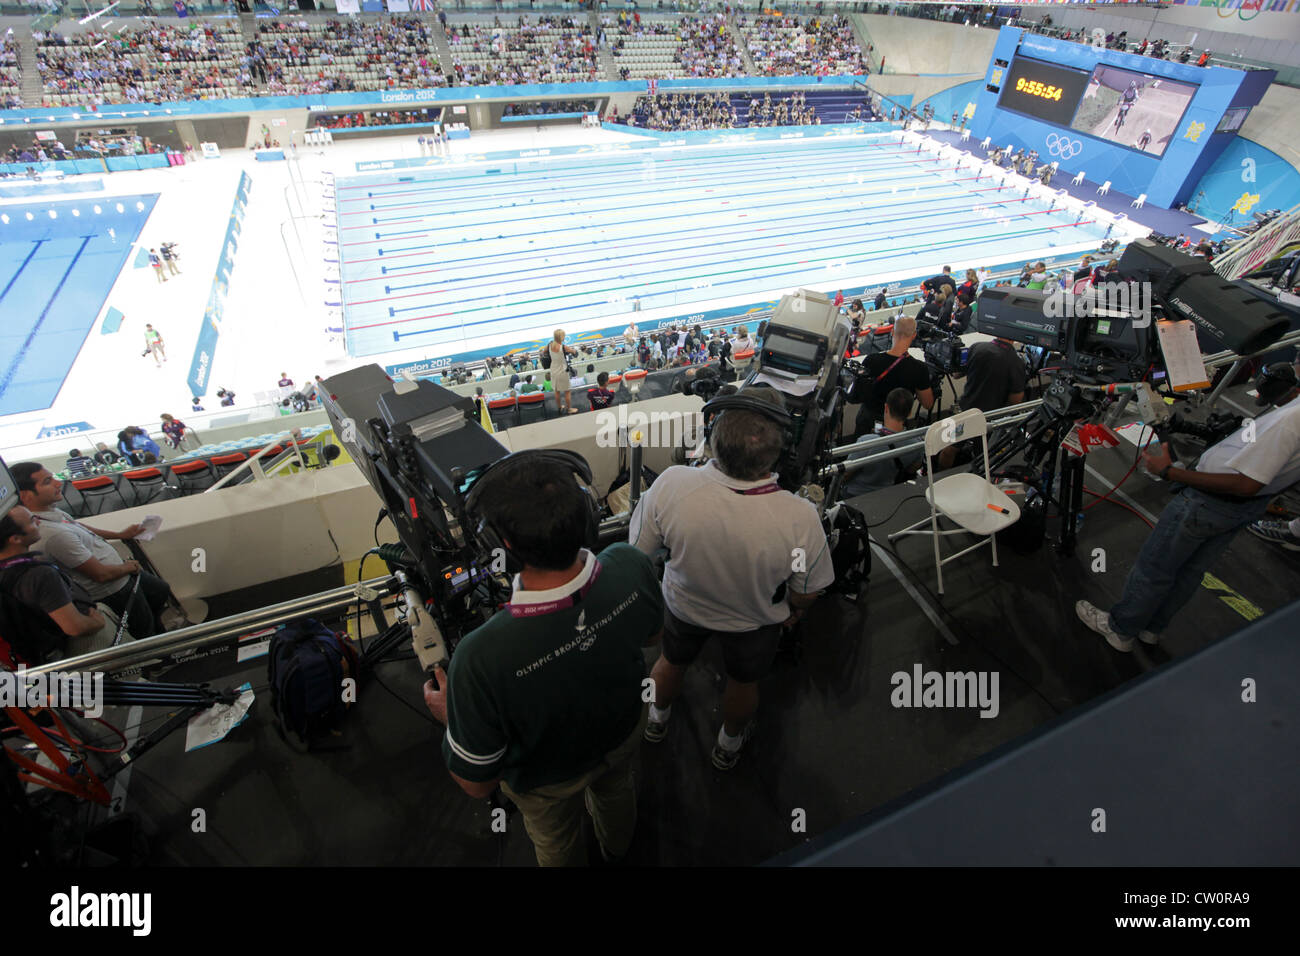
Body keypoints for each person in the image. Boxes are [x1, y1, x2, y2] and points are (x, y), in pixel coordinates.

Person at [422, 455, 664, 866]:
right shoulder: (631, 564)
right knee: (617, 792)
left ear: (504, 547)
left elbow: (477, 785)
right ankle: (619, 850)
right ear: (587, 514)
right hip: (622, 735)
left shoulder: (479, 656)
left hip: (547, 780)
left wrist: (451, 717)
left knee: (556, 841)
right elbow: (654, 636)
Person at [630, 386, 835, 770]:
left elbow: (638, 554)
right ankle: (728, 743)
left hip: (683, 608)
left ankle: (656, 720)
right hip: (754, 623)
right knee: (744, 683)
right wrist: (792, 611)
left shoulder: (671, 485)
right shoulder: (800, 517)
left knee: (670, 662)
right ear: (780, 451)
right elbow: (809, 589)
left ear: (714, 436)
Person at [1076, 363, 1300, 651]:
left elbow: (1247, 484)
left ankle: (1120, 630)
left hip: (1210, 504)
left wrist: (1168, 472)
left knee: (1155, 568)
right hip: (1243, 509)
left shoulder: (1288, 422)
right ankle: (1151, 628)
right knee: (1189, 572)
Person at [13, 463, 173, 639]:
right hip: (114, 589)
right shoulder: (52, 534)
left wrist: (119, 534)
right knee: (143, 629)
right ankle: (159, 661)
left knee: (159, 591)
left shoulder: (51, 512)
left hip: (122, 574)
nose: (58, 484)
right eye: (47, 482)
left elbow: (78, 526)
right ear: (25, 495)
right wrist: (130, 567)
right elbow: (101, 575)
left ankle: (163, 635)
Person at [0, 506, 116, 663]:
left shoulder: (8, 570)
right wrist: (96, 622)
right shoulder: (39, 575)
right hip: (65, 652)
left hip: (31, 656)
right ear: (15, 538)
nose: (39, 522)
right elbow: (75, 627)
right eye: (32, 521)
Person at [853, 315, 935, 435]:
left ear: (892, 332)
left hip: (867, 422)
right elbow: (928, 404)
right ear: (913, 335)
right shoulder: (919, 368)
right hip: (895, 429)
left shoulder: (871, 360)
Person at [842, 388, 924, 499]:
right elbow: (912, 468)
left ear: (886, 407)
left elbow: (846, 474)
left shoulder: (866, 442)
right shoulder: (916, 443)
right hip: (888, 495)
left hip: (856, 495)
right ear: (909, 413)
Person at [960, 334, 1027, 414]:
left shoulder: (976, 346)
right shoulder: (1016, 362)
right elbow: (1015, 400)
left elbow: (956, 374)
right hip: (992, 415)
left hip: (966, 409)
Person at [548, 329, 578, 414]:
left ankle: (560, 407)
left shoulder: (550, 345)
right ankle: (569, 409)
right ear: (561, 337)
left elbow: (544, 352)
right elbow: (575, 353)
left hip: (553, 369)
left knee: (557, 391)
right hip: (562, 370)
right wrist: (573, 350)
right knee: (567, 391)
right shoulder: (564, 347)